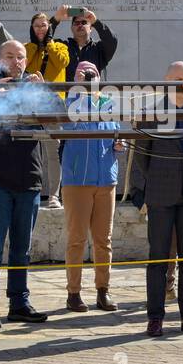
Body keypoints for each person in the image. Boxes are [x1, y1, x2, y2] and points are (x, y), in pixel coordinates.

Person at [129, 61, 183, 337]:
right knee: (158, 258)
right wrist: (159, 179)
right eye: (179, 79)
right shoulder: (151, 113)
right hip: (161, 194)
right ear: (167, 81)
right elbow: (142, 156)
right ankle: (155, 317)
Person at [0, 41, 48, 328]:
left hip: (29, 179)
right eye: (9, 56)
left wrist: (44, 92)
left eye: (20, 57)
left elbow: (58, 119)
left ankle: (19, 302)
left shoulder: (33, 89)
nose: (16, 62)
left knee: (22, 248)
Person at [59, 61, 121, 313]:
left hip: (106, 178)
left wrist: (120, 146)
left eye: (92, 74)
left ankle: (102, 291)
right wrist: (78, 89)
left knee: (103, 240)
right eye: (83, 74)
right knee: (76, 239)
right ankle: (73, 293)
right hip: (77, 180)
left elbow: (116, 135)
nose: (88, 77)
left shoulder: (109, 103)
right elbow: (68, 126)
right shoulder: (72, 101)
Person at [27, 11, 70, 209]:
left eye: (44, 25)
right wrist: (37, 46)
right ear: (32, 28)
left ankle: (53, 196)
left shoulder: (60, 47)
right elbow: (21, 65)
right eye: (37, 25)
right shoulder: (28, 48)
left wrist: (49, 42)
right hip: (31, 105)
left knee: (53, 152)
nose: (41, 29)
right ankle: (31, 193)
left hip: (52, 105)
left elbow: (62, 63)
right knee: (29, 150)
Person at [49, 4, 117, 80]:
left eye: (84, 22)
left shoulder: (99, 49)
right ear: (72, 28)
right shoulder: (62, 47)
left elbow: (112, 40)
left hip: (92, 91)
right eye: (76, 23)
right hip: (67, 91)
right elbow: (44, 41)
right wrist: (56, 19)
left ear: (91, 27)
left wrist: (96, 22)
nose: (80, 25)